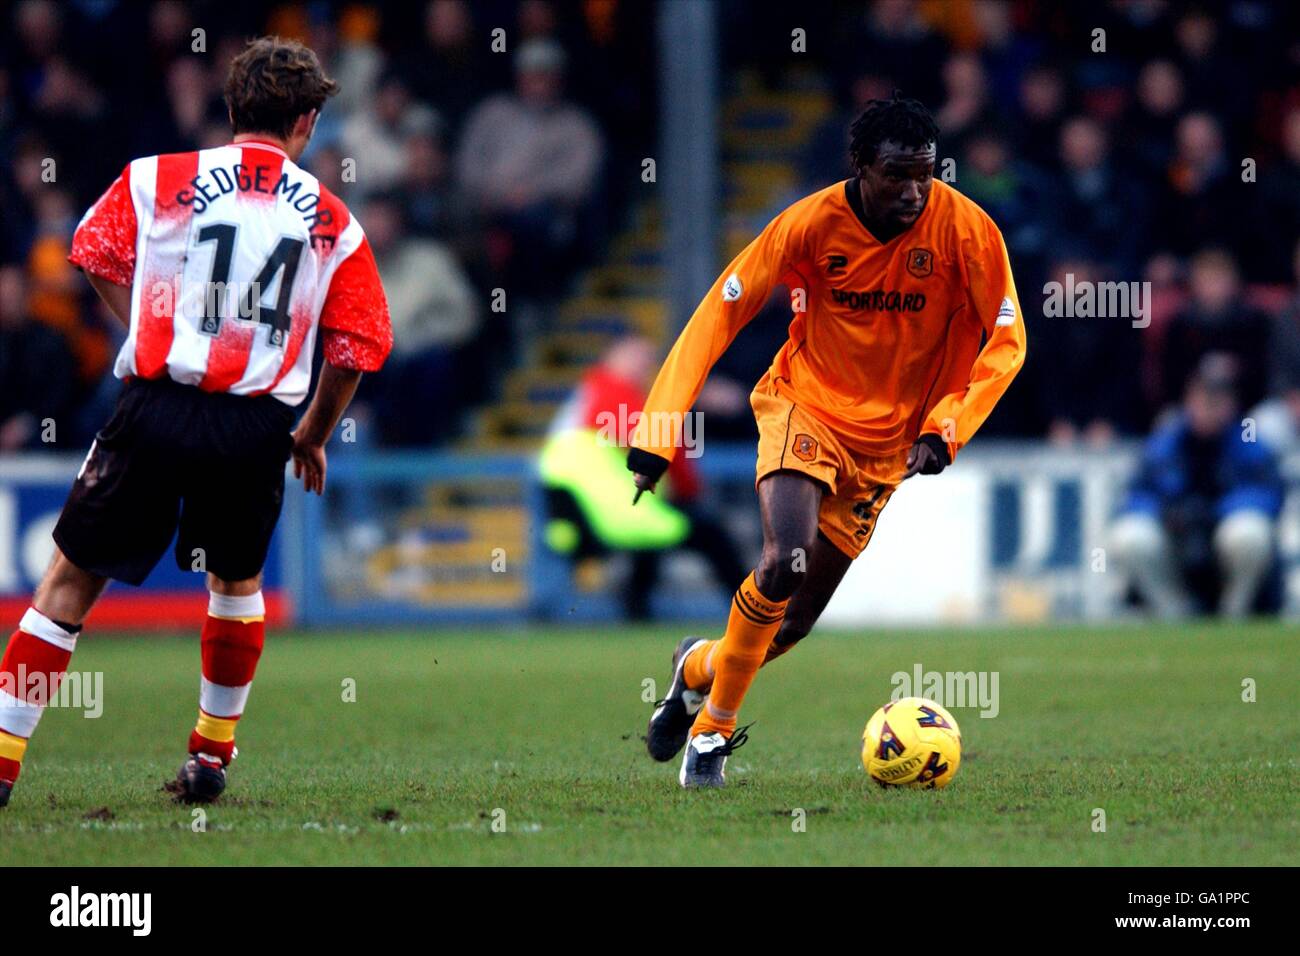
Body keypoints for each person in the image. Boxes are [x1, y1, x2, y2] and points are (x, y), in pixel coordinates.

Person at [0, 37, 393, 809]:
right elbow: (357, 347)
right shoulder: (335, 223)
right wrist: (312, 432)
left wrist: (149, 331)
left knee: (70, 582)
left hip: (158, 404)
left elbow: (93, 252)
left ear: (231, 107)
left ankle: (3, 760)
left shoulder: (159, 178)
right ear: (307, 121)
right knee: (236, 580)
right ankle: (212, 755)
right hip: (255, 425)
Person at [629, 95, 1027, 788]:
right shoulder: (808, 226)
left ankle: (694, 667)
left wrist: (948, 428)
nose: (913, 192)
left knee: (787, 629)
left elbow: (1008, 340)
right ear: (860, 167)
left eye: (925, 176)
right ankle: (711, 738)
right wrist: (657, 432)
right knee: (784, 561)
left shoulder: (968, 231)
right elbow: (717, 315)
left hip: (889, 448)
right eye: (897, 176)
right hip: (804, 409)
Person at [1110, 355, 1283, 619]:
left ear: (1232, 402)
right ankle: (1173, 613)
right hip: (1177, 544)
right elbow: (1135, 496)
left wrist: (1215, 512)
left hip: (1224, 545)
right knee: (1130, 536)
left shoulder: (1248, 440)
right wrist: (1168, 513)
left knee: (1248, 533)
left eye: (1219, 396)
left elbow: (1268, 496)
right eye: (1204, 395)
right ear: (1189, 398)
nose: (1209, 405)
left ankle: (1235, 615)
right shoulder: (1166, 441)